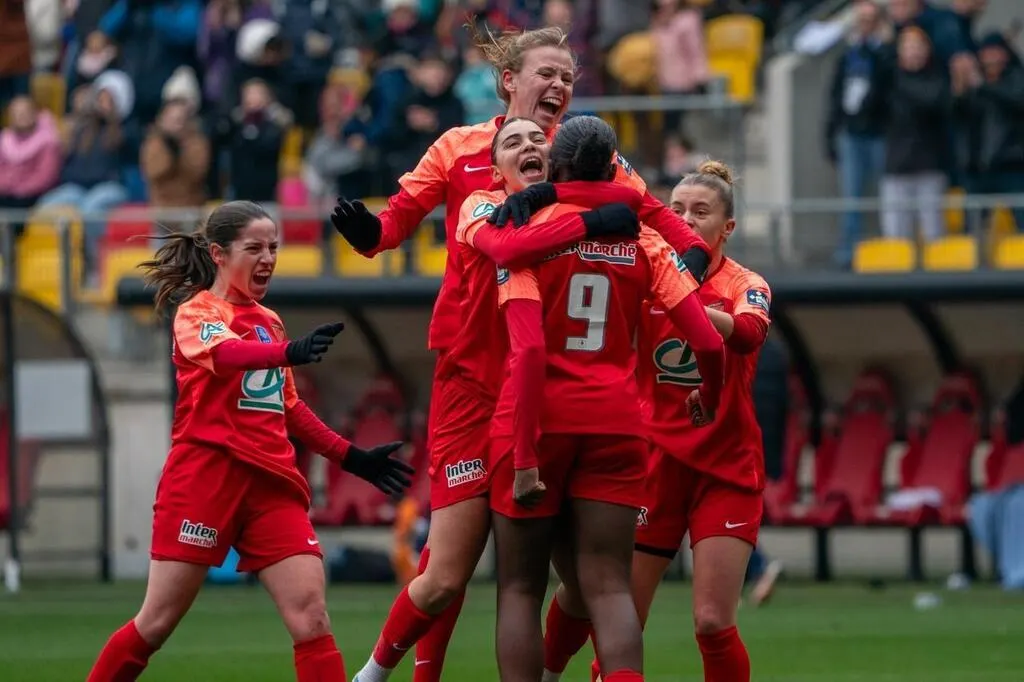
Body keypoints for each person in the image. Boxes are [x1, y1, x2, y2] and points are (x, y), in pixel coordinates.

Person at [335, 24, 713, 682]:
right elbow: (397, 220)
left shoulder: (593, 160)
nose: (560, 85)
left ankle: (562, 668)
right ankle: (389, 673)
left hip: (552, 392)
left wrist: (697, 260)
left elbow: (657, 218)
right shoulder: (461, 150)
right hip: (474, 379)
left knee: (574, 580)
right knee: (450, 570)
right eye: (548, 73)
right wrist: (371, 234)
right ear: (510, 81)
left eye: (568, 77)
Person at [85, 201, 415, 682]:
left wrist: (352, 457)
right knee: (156, 622)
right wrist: (288, 351)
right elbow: (229, 354)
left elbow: (289, 409)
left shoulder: (269, 319)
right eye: (254, 248)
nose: (268, 258)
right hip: (206, 479)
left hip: (270, 483)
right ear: (219, 254)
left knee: (312, 618)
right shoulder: (196, 312)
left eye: (274, 248)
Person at [490, 115, 726, 682]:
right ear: (614, 163)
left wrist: (524, 460)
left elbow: (526, 356)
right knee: (609, 586)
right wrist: (707, 395)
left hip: (537, 425)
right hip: (617, 424)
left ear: (557, 165)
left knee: (520, 588)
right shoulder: (642, 239)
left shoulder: (528, 235)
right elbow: (708, 343)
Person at [541, 161, 772, 682]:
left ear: (726, 228)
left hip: (725, 469)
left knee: (713, 622)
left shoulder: (744, 283)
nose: (687, 221)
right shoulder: (643, 271)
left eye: (701, 212)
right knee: (614, 610)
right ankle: (548, 671)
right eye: (678, 210)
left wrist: (683, 302)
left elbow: (749, 333)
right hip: (653, 462)